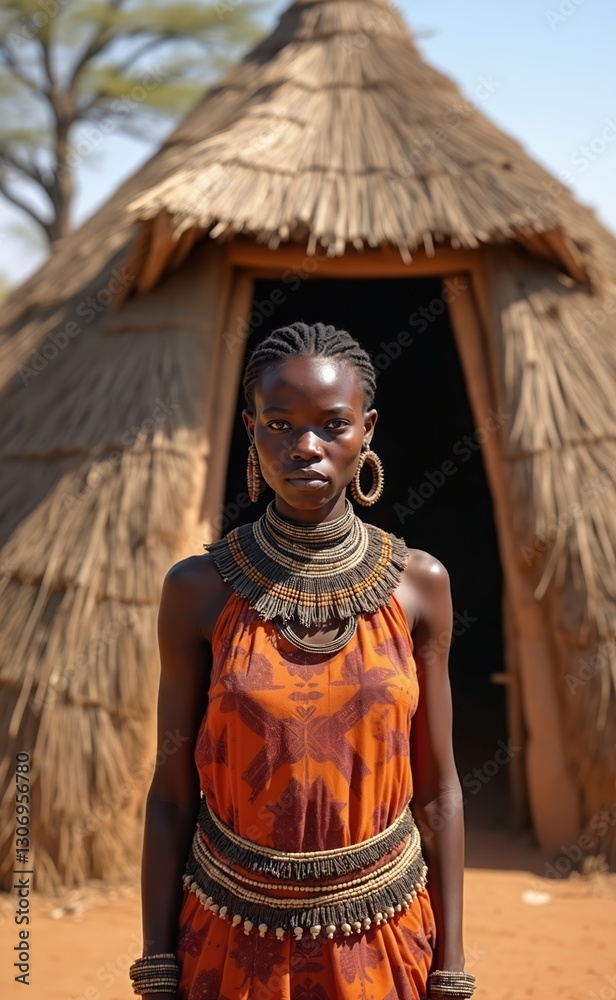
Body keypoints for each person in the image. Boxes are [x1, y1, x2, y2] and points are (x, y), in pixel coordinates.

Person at [130, 322, 474, 1000]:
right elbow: (171, 795)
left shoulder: (419, 586)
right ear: (250, 429)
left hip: (382, 942)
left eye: (332, 424)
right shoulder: (198, 591)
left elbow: (438, 790)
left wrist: (451, 964)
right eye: (280, 424)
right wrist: (158, 963)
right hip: (231, 944)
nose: (305, 448)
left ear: (367, 429)